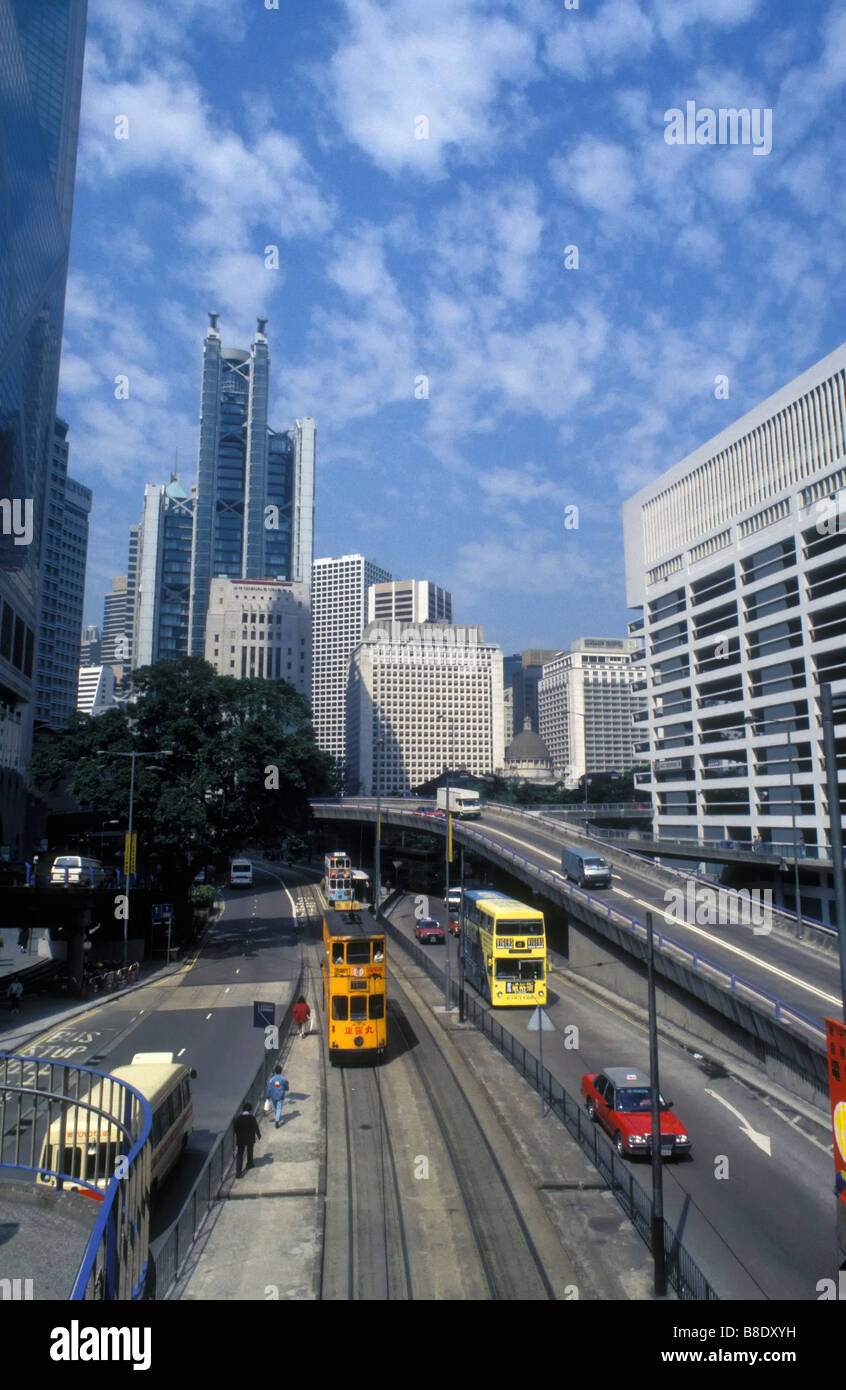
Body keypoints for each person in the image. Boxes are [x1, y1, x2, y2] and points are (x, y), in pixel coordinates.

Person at [233, 1102, 261, 1177]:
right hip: (250, 1138)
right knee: (250, 1151)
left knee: (240, 1154)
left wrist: (238, 1134)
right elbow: (256, 1127)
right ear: (250, 1110)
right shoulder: (252, 1118)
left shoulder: (238, 1118)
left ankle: (238, 1172)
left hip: (240, 1139)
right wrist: (259, 1135)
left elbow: (235, 1129)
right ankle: (249, 1164)